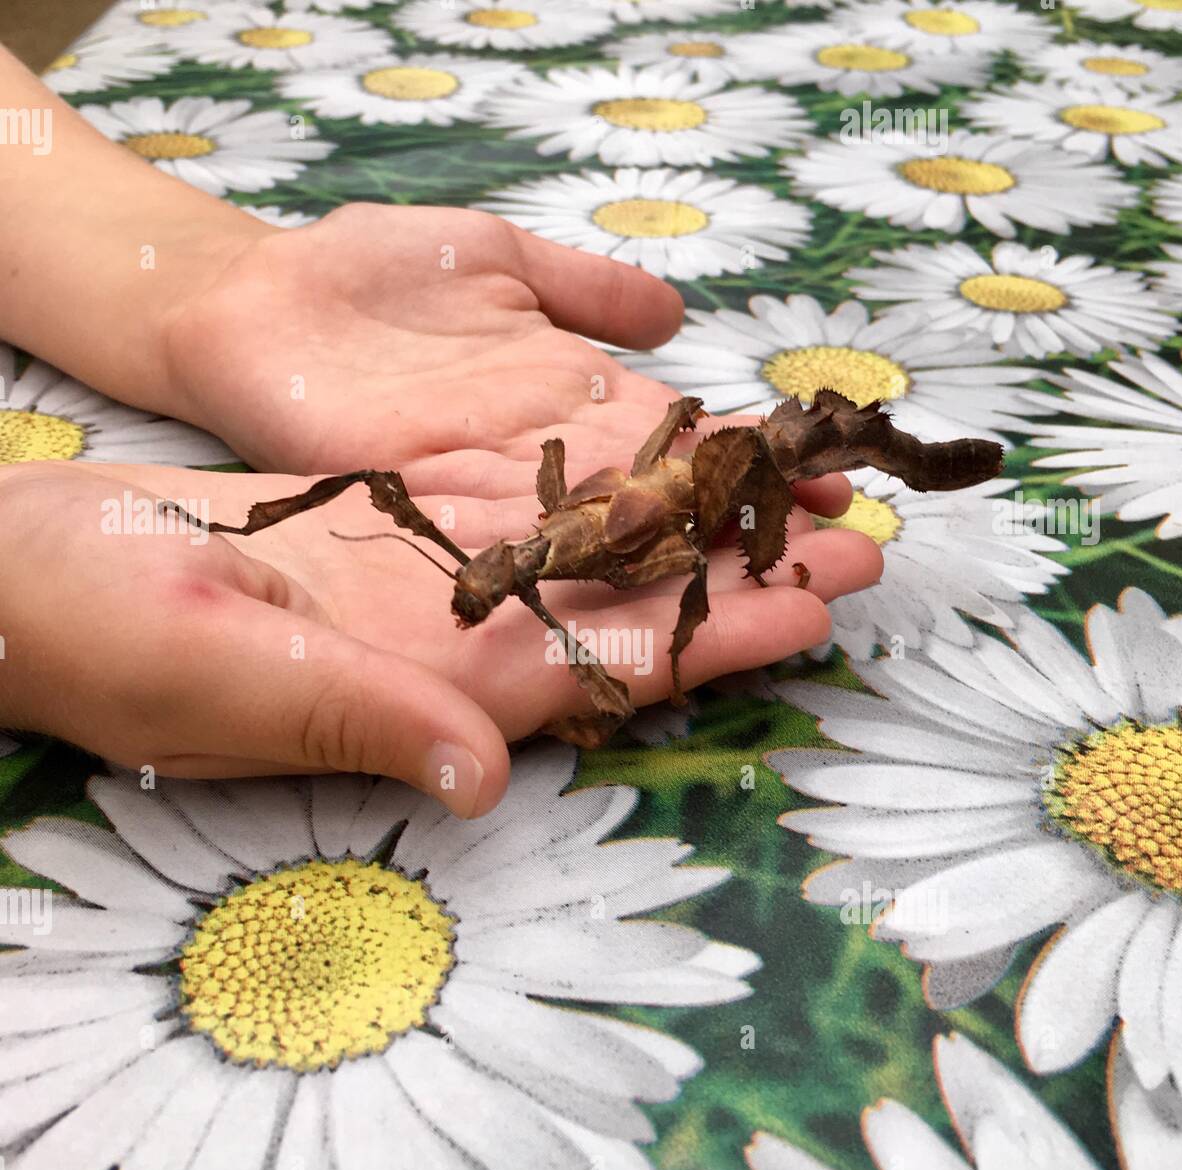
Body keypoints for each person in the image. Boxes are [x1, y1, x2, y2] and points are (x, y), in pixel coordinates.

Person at [0, 42, 881, 817]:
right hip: (623, 512)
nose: (487, 585)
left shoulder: (566, 544)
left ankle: (790, 519)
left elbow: (674, 548)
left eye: (488, 581)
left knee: (728, 494)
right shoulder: (537, 558)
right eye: (493, 582)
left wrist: (217, 281)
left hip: (674, 498)